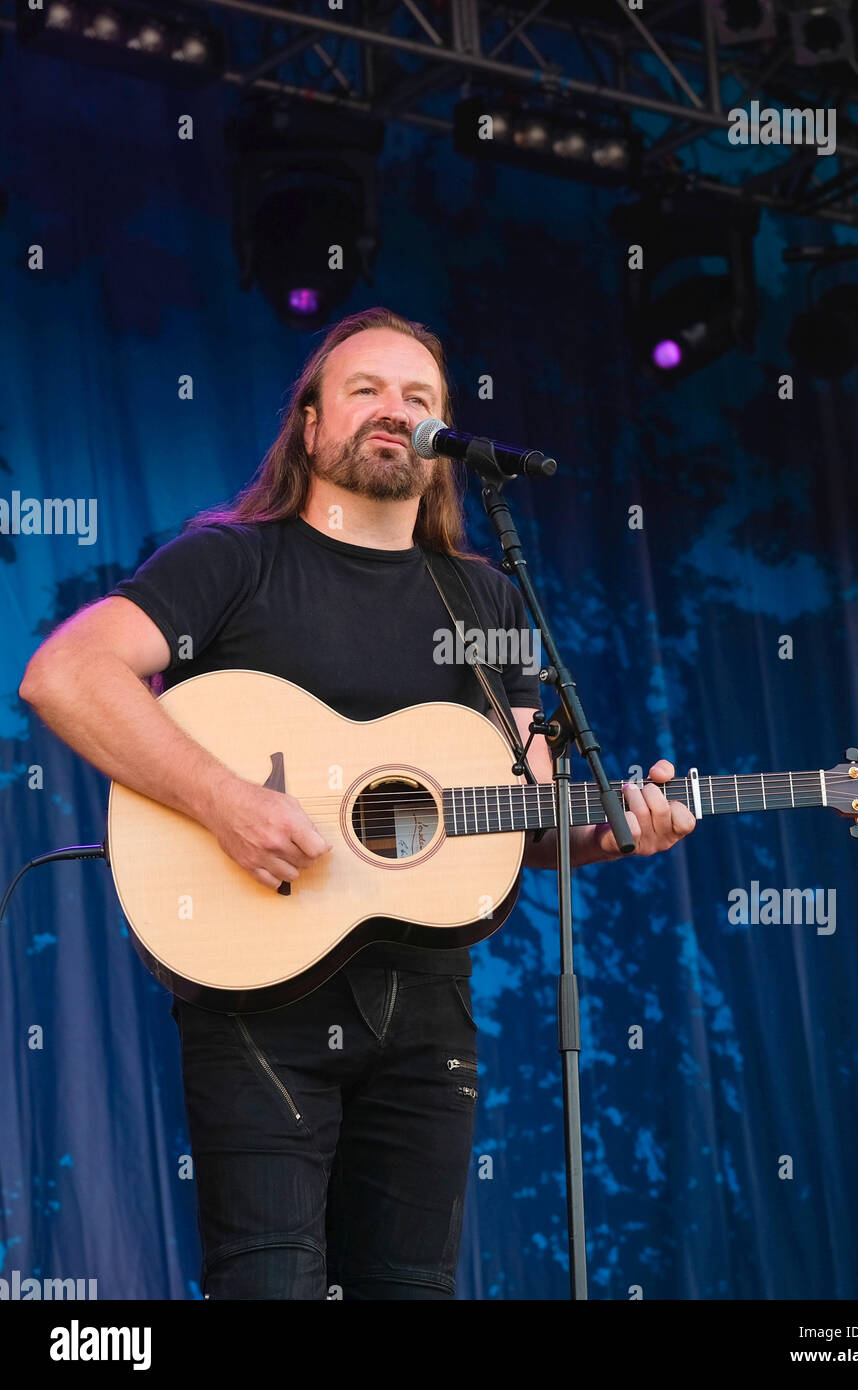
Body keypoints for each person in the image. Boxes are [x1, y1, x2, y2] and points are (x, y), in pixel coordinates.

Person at [18, 305, 695, 1300]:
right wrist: (224, 801)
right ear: (310, 424)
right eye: (366, 390)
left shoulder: (489, 603)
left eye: (418, 397)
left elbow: (523, 816)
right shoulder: (232, 560)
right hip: (259, 997)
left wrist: (608, 832)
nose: (394, 410)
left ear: (444, 438)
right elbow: (66, 674)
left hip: (428, 1007)